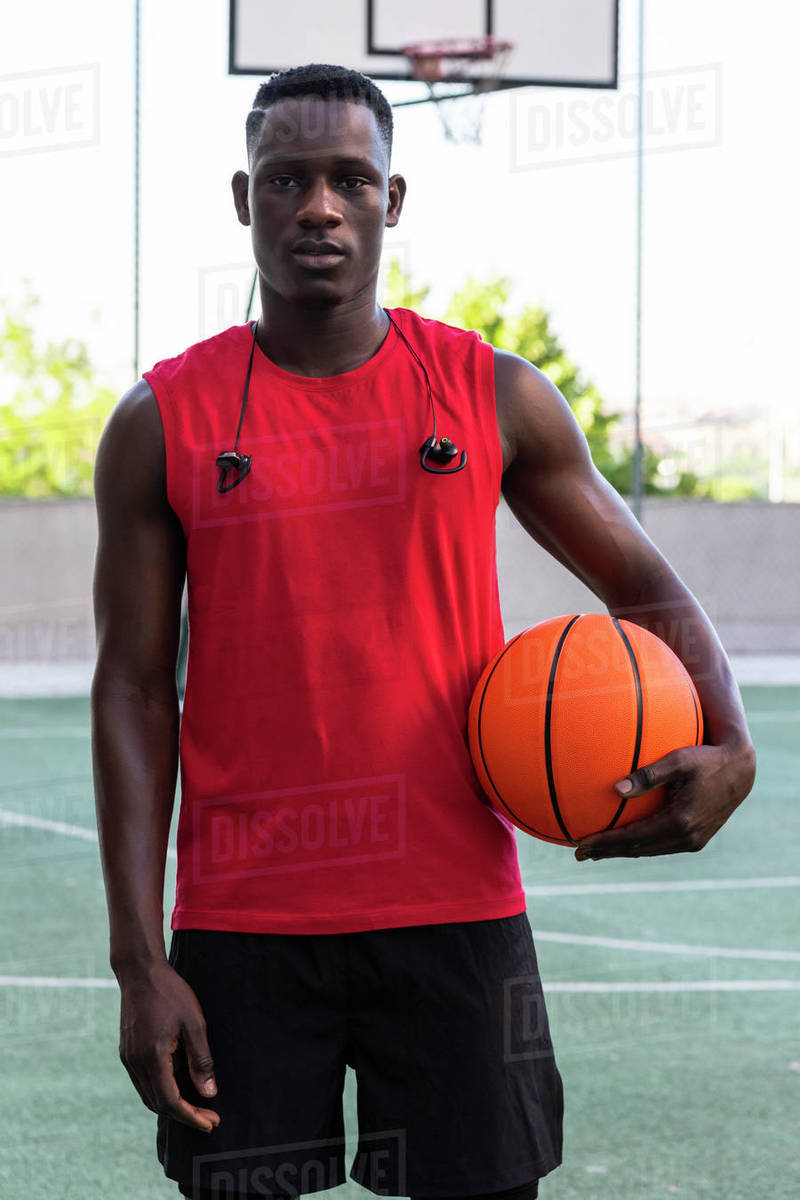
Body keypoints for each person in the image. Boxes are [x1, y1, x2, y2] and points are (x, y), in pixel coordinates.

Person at [91, 64, 756, 1200]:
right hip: (246, 922)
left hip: (456, 909)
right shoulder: (164, 419)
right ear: (241, 199)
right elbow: (135, 690)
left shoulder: (488, 392)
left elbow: (641, 581)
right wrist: (136, 957)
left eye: (350, 179)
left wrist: (729, 740)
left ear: (390, 203)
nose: (318, 206)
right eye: (287, 179)